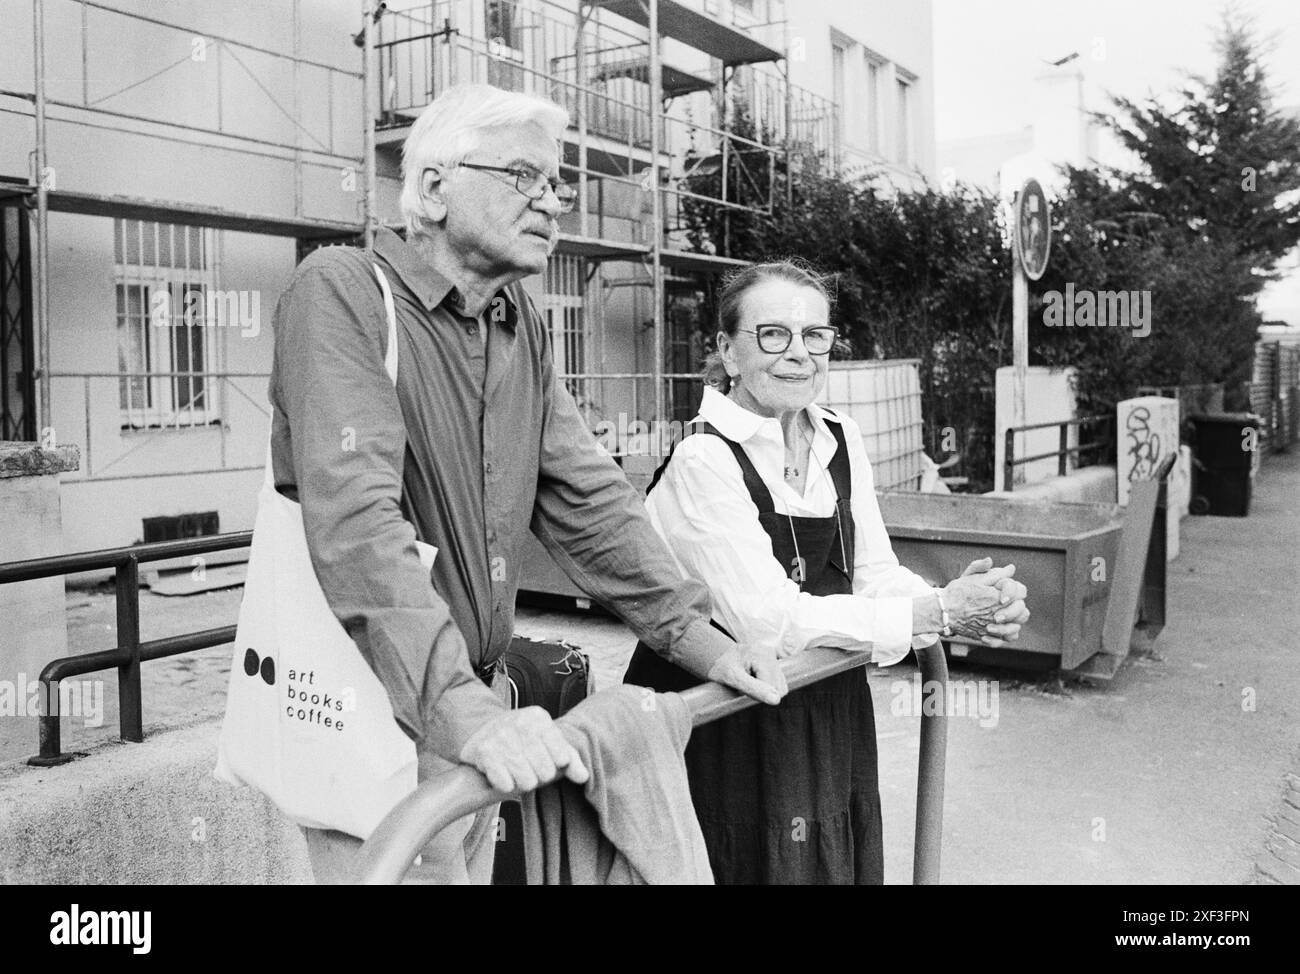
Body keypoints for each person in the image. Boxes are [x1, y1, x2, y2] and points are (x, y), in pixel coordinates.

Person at [269, 84, 785, 884]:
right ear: (434, 188)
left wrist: (696, 636)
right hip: (362, 707)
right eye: (523, 176)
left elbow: (590, 500)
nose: (551, 203)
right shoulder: (341, 291)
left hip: (473, 706)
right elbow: (359, 523)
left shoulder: (520, 323)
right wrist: (465, 716)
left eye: (557, 184)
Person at [623, 260, 1030, 884]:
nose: (800, 354)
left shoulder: (839, 436)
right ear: (728, 353)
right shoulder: (702, 461)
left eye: (816, 335)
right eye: (773, 335)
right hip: (729, 719)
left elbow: (873, 572)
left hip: (825, 705)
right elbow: (770, 623)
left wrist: (954, 599)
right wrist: (940, 614)